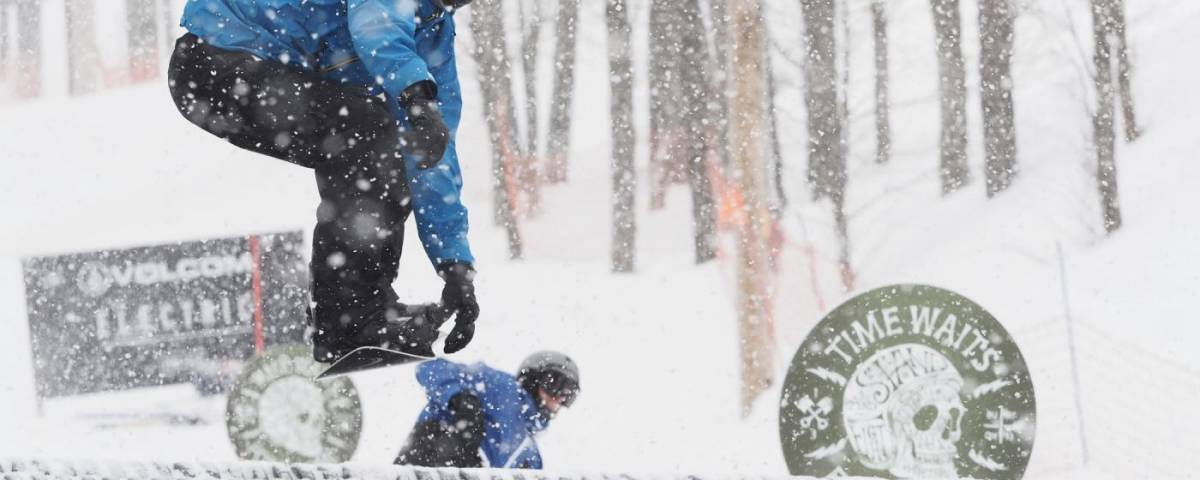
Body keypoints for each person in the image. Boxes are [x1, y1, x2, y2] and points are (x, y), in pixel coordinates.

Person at [167, 0, 480, 362]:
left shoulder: (431, 33)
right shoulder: (395, 19)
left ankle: (361, 307)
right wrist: (414, 95)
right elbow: (375, 27)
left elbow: (432, 159)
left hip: (256, 72)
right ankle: (348, 318)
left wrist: (455, 267)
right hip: (215, 61)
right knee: (371, 134)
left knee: (382, 142)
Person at [395, 351, 581, 468]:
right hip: (433, 454)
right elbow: (431, 368)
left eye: (569, 394)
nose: (559, 397)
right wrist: (459, 400)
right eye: (555, 384)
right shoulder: (502, 387)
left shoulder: (531, 455)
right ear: (533, 377)